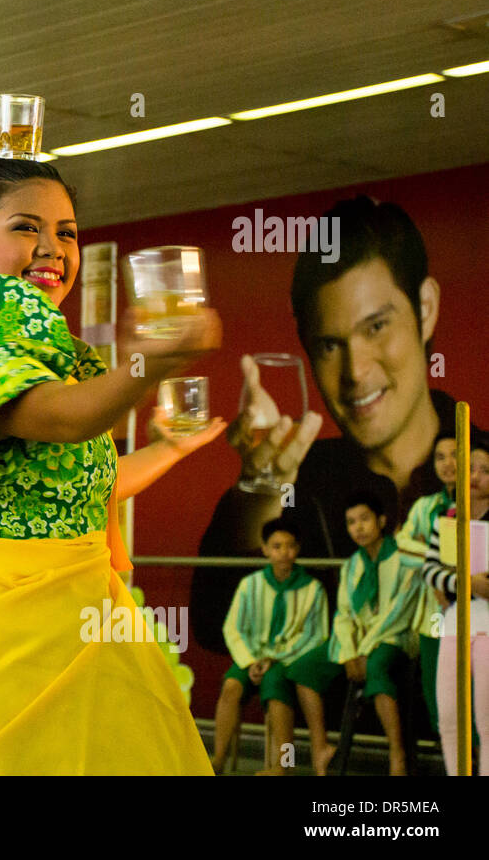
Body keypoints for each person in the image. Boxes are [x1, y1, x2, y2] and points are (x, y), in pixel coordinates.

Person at [0, 156, 221, 774]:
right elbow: (59, 418)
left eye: (66, 231)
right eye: (25, 229)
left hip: (94, 625)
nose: (52, 249)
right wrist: (144, 367)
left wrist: (168, 446)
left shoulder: (71, 357)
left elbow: (86, 487)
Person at [195, 196, 487, 651]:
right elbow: (219, 628)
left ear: (425, 309)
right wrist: (261, 492)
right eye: (330, 345)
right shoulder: (299, 485)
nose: (355, 372)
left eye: (376, 328)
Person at [288, 490, 421, 775]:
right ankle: (321, 748)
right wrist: (348, 652)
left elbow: (398, 613)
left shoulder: (404, 558)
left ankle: (397, 755)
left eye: (364, 519)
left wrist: (363, 650)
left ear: (381, 520)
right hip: (358, 642)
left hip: (393, 637)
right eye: (351, 522)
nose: (358, 528)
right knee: (304, 669)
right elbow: (344, 615)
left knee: (377, 665)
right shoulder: (352, 565)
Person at [210, 517, 331, 775]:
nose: (283, 553)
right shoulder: (250, 585)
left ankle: (281, 765)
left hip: (285, 662)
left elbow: (315, 636)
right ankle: (217, 758)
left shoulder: (313, 589)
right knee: (231, 686)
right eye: (276, 546)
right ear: (265, 549)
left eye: (289, 546)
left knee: (276, 688)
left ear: (297, 549)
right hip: (251, 658)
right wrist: (250, 661)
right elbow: (232, 628)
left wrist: (276, 658)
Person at [419, 438, 489, 775]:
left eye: (485, 470)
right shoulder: (447, 518)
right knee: (449, 717)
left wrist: (468, 581)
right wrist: (467, 582)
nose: (475, 475)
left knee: (487, 721)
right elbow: (431, 570)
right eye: (470, 467)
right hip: (454, 622)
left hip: (488, 623)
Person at [395, 432, 458, 739]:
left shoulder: (478, 506)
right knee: (439, 702)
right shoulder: (426, 507)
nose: (448, 463)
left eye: (455, 454)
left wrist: (432, 558)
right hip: (432, 616)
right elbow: (400, 547)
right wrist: (438, 559)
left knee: (475, 698)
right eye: (440, 457)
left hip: (473, 616)